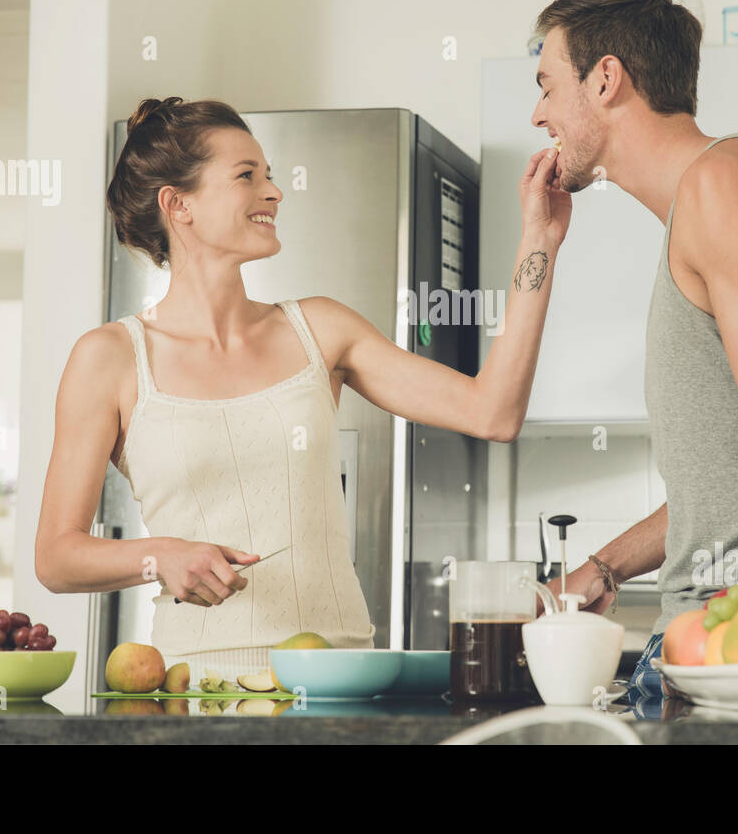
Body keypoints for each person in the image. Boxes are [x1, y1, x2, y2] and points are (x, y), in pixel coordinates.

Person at [34, 96, 571, 681]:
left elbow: (494, 412)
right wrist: (157, 555)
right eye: (247, 176)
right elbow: (56, 556)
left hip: (340, 679)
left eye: (270, 174)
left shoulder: (320, 328)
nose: (274, 192)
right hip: (199, 688)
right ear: (177, 204)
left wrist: (539, 239)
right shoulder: (110, 358)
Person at [528, 0, 738, 700]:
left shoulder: (729, 182)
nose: (538, 113)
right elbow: (729, 476)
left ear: (606, 78)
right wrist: (605, 566)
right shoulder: (704, 207)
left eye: (548, 85)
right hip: (702, 643)